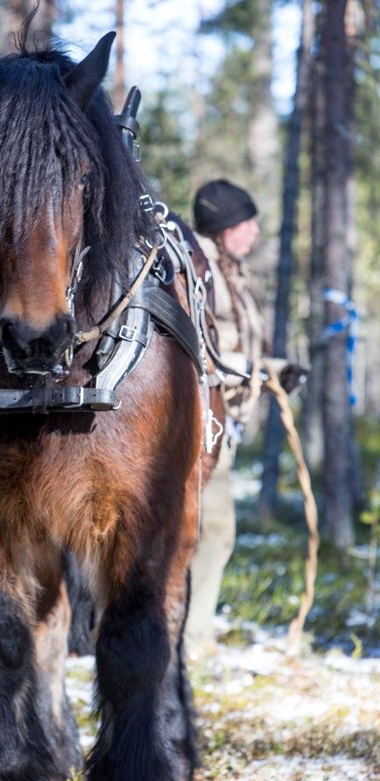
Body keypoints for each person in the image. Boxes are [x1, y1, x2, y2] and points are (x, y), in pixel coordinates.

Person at [185, 178, 303, 655]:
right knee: (209, 528)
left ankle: (190, 632)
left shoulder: (232, 271)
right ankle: (190, 639)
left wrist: (272, 367)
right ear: (225, 226)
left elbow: (239, 343)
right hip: (199, 420)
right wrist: (261, 368)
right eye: (246, 222)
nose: (255, 231)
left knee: (213, 529)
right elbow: (202, 345)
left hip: (224, 419)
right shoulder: (199, 272)